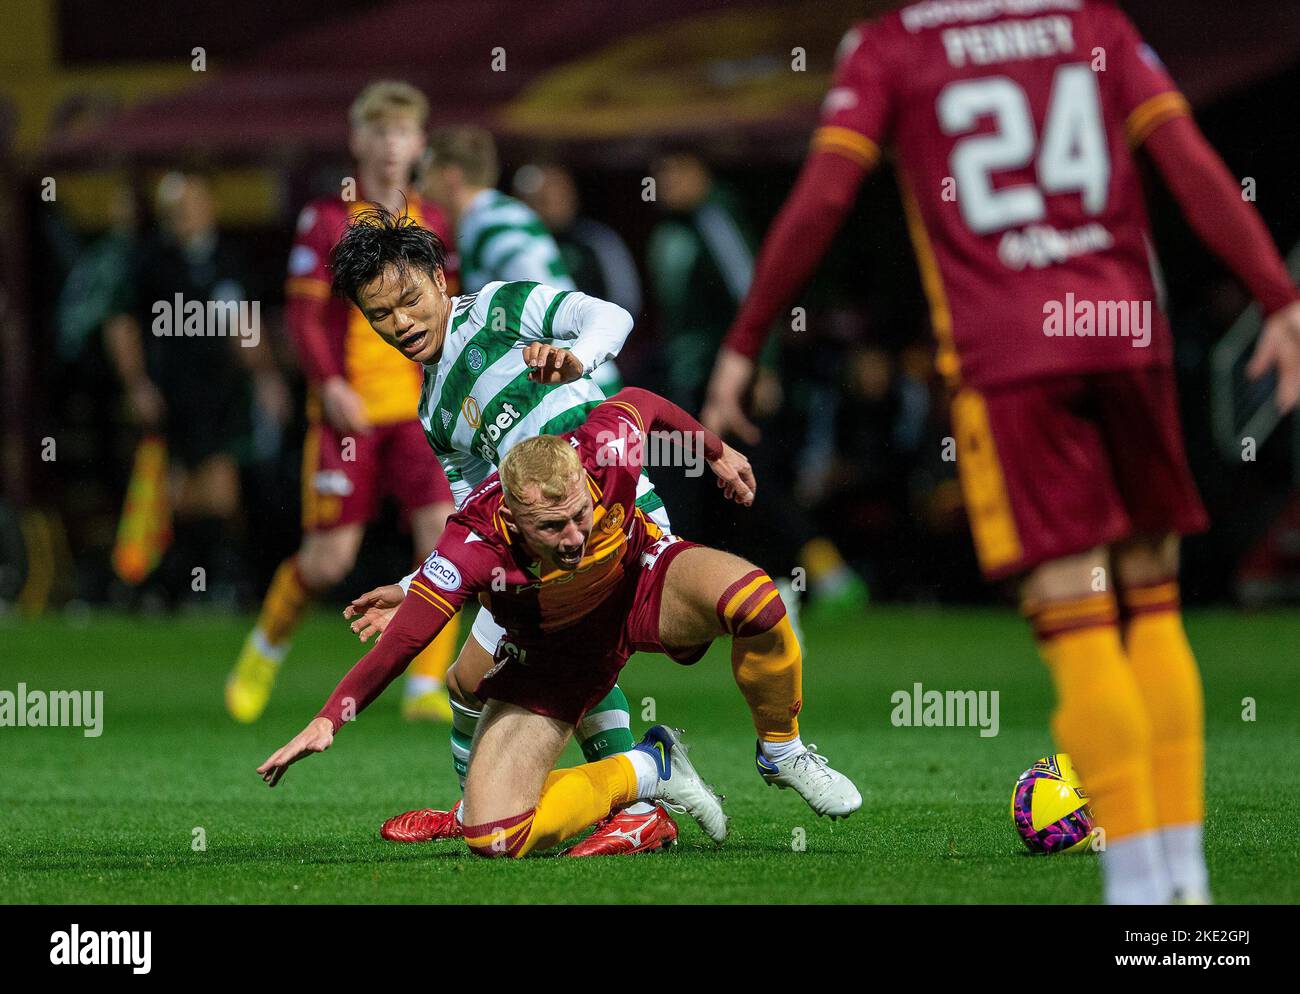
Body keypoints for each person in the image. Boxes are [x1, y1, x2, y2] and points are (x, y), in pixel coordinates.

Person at [699, 0, 1300, 904]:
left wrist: (745, 343)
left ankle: (1138, 892)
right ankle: (1189, 889)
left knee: (1081, 627)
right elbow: (1188, 162)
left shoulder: (894, 46)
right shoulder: (1093, 24)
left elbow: (824, 197)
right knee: (1155, 610)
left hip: (1014, 357)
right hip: (1129, 336)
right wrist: (1279, 295)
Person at [257, 386, 861, 858]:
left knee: (759, 604)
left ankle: (782, 749)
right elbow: (407, 639)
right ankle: (648, 769)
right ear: (514, 522)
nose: (573, 537)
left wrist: (718, 451)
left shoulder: (603, 449)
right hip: (554, 655)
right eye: (553, 528)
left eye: (580, 515)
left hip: (641, 581)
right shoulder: (472, 539)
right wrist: (329, 718)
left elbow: (644, 404)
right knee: (494, 837)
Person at [225, 81, 460, 724]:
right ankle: (266, 643)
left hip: (419, 415)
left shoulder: (432, 221)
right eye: (378, 132)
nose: (390, 145)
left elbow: (448, 311)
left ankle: (425, 688)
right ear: (358, 140)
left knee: (444, 543)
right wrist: (330, 385)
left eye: (401, 132)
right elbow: (303, 316)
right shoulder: (328, 219)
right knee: (330, 563)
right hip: (349, 415)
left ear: (419, 142)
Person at [104, 171, 287, 606]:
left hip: (221, 397)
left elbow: (244, 325)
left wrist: (265, 377)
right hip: (170, 399)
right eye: (176, 207)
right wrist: (137, 385)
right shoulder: (150, 261)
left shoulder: (228, 260)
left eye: (192, 204)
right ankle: (173, 584)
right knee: (172, 492)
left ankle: (210, 584)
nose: (184, 214)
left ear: (210, 206)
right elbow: (120, 324)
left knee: (222, 489)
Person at [512, 161, 644, 320]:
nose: (552, 203)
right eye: (542, 198)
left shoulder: (597, 240)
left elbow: (625, 300)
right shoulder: (512, 244)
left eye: (560, 195)